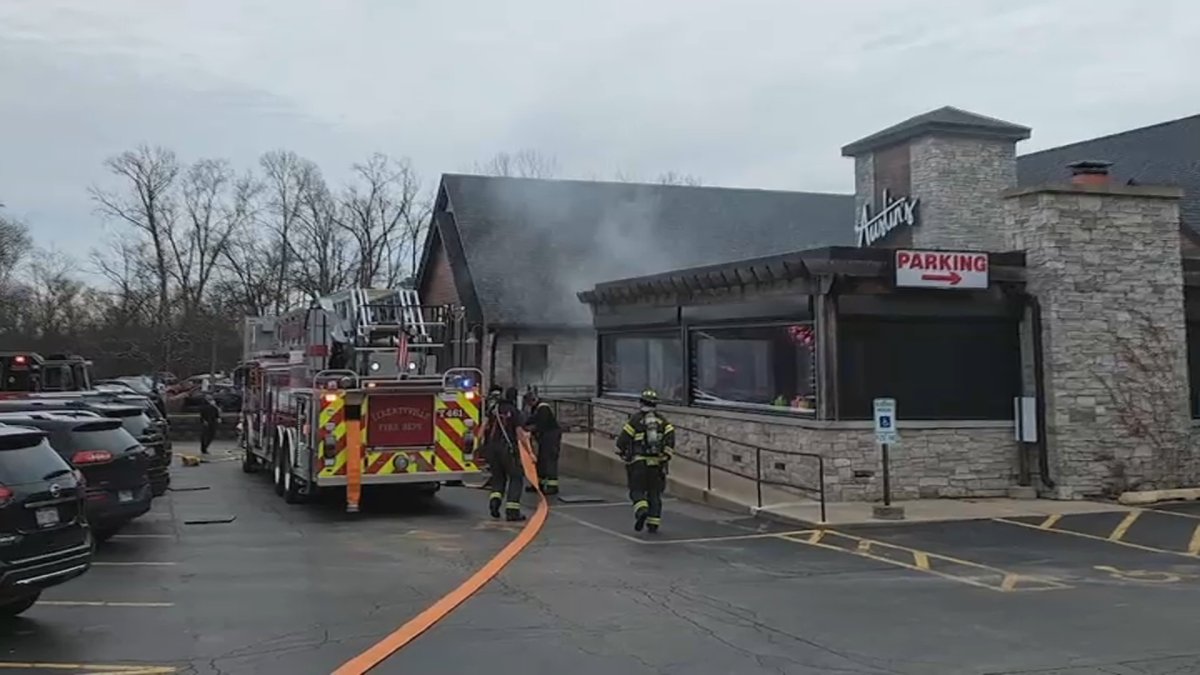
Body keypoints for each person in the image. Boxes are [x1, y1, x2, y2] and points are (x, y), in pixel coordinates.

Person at [615, 389, 675, 533]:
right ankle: (653, 523)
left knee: (637, 491)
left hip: (639, 463)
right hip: (657, 465)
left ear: (641, 402)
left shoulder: (635, 420)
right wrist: (665, 456)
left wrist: (622, 450)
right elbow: (670, 440)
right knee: (654, 493)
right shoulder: (664, 422)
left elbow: (622, 440)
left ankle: (642, 511)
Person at [481, 384, 526, 521]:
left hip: (492, 449)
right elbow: (519, 434)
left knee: (498, 478)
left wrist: (480, 447)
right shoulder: (514, 412)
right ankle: (512, 511)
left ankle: (494, 502)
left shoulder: (494, 410)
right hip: (507, 449)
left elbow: (483, 428)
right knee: (516, 477)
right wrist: (529, 452)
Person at [523, 389, 562, 495]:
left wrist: (530, 430)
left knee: (549, 460)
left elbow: (541, 424)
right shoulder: (537, 408)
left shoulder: (543, 408)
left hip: (551, 437)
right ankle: (538, 484)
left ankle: (552, 486)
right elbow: (532, 419)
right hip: (545, 437)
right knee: (542, 461)